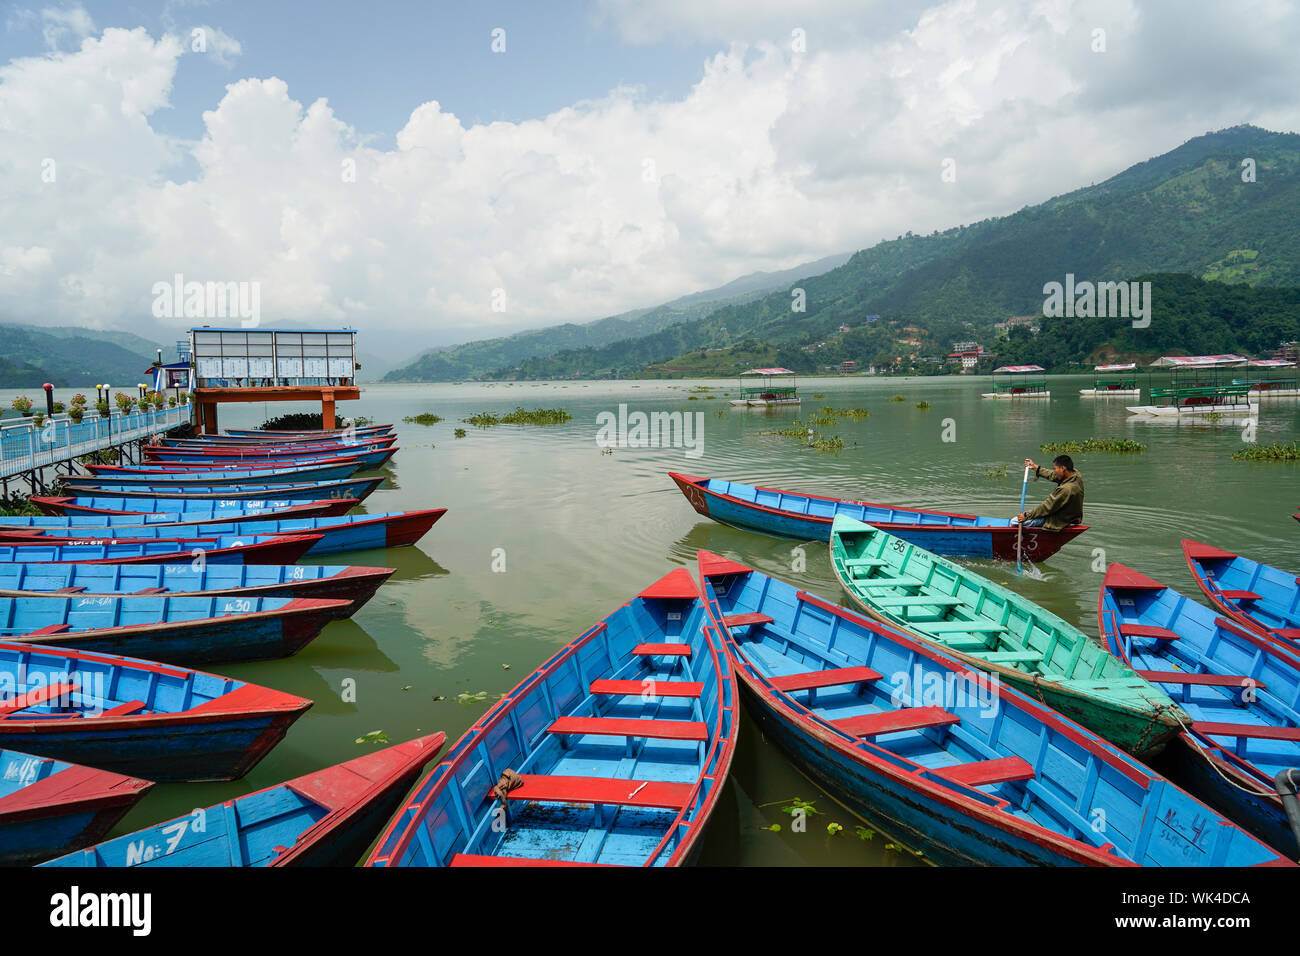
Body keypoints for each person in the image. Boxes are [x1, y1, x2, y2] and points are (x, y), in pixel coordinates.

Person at [1014, 454, 1084, 530]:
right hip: (1069, 514)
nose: (1055, 471)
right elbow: (1053, 475)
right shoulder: (1076, 475)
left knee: (1014, 522)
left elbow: (1047, 507)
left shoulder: (1066, 489)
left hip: (1059, 519)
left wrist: (1026, 516)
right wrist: (1036, 468)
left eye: (1055, 469)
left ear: (1063, 468)